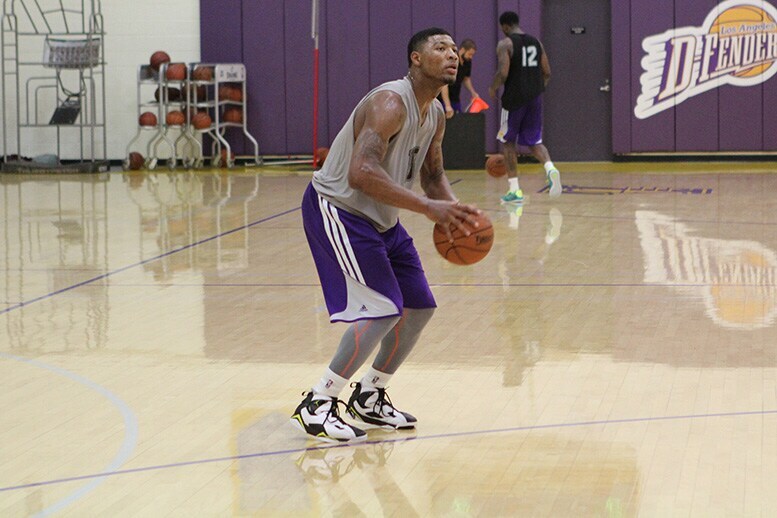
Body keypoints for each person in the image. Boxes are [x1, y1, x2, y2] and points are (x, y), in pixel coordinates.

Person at [292, 28, 482, 443]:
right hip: (339, 210)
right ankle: (319, 402)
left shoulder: (433, 114)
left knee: (418, 307)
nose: (452, 55)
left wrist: (453, 210)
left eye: (455, 49)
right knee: (381, 309)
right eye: (440, 48)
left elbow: (432, 176)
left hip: (382, 219)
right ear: (416, 59)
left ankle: (371, 395)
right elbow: (360, 173)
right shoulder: (389, 103)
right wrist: (429, 209)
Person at [488, 11, 562, 203]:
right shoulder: (536, 42)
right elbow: (547, 72)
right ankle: (550, 168)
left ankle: (515, 191)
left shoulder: (505, 44)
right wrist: (535, 90)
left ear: (504, 26)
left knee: (508, 142)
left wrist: (493, 87)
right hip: (534, 98)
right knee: (534, 141)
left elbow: (503, 73)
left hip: (514, 100)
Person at [439, 38, 480, 118]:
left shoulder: (467, 62)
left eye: (472, 55)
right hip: (443, 99)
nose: (471, 57)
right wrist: (447, 105)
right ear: (462, 50)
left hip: (455, 97)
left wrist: (473, 92)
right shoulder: (451, 61)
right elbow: (444, 84)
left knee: (458, 122)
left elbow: (466, 78)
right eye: (469, 54)